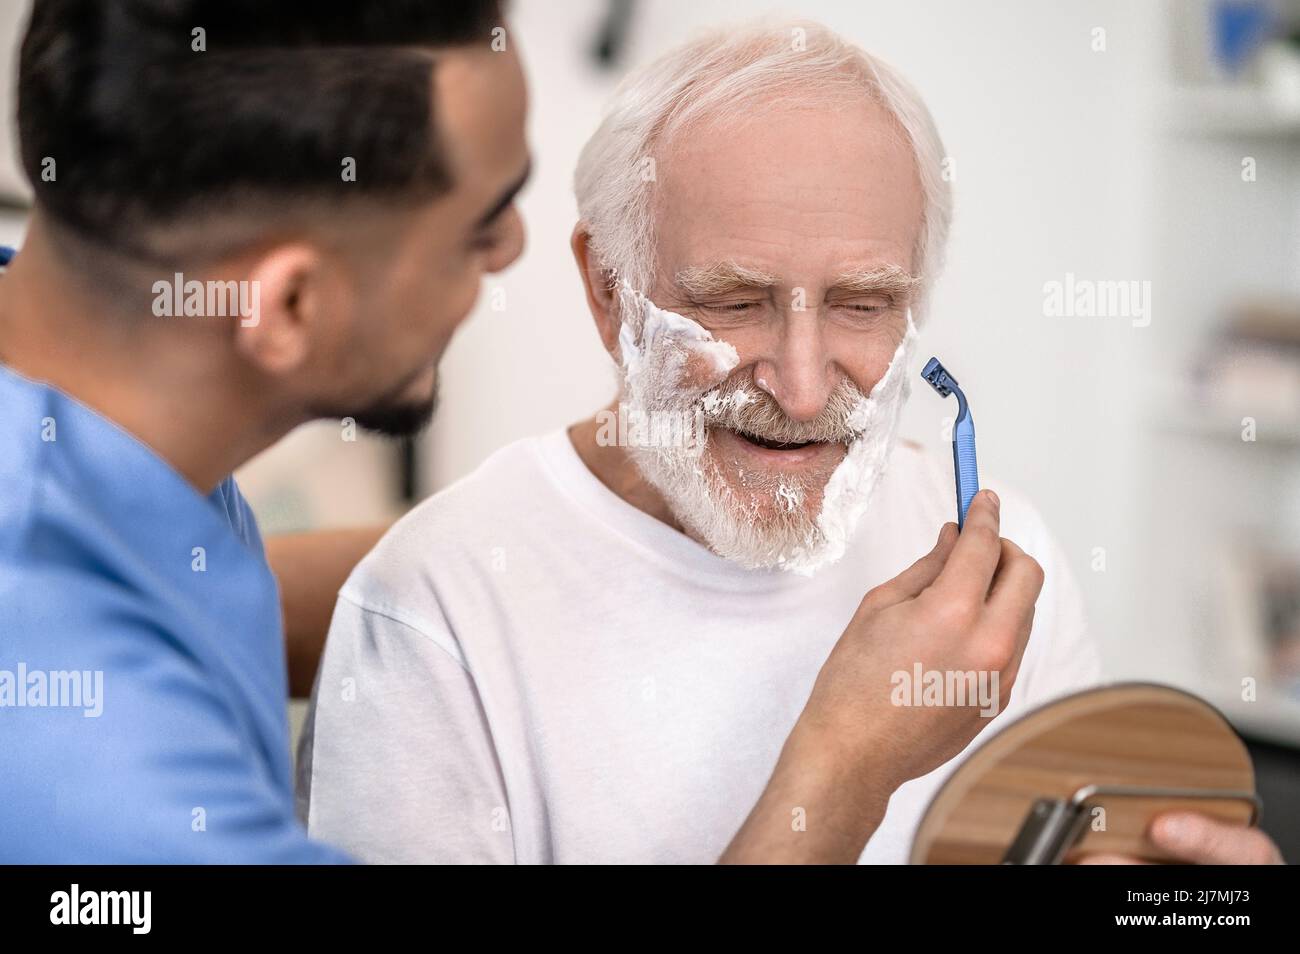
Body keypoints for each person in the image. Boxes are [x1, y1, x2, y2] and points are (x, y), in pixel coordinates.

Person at [299, 20, 1284, 866]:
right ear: (608, 291)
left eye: (863, 304)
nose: (804, 387)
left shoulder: (995, 569)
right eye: (733, 301)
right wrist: (843, 765)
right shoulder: (432, 612)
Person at [0, 0, 527, 862]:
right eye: (478, 227)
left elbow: (179, 588)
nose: (512, 247)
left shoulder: (75, 392)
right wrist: (830, 745)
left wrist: (546, 535)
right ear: (287, 306)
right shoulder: (123, 802)